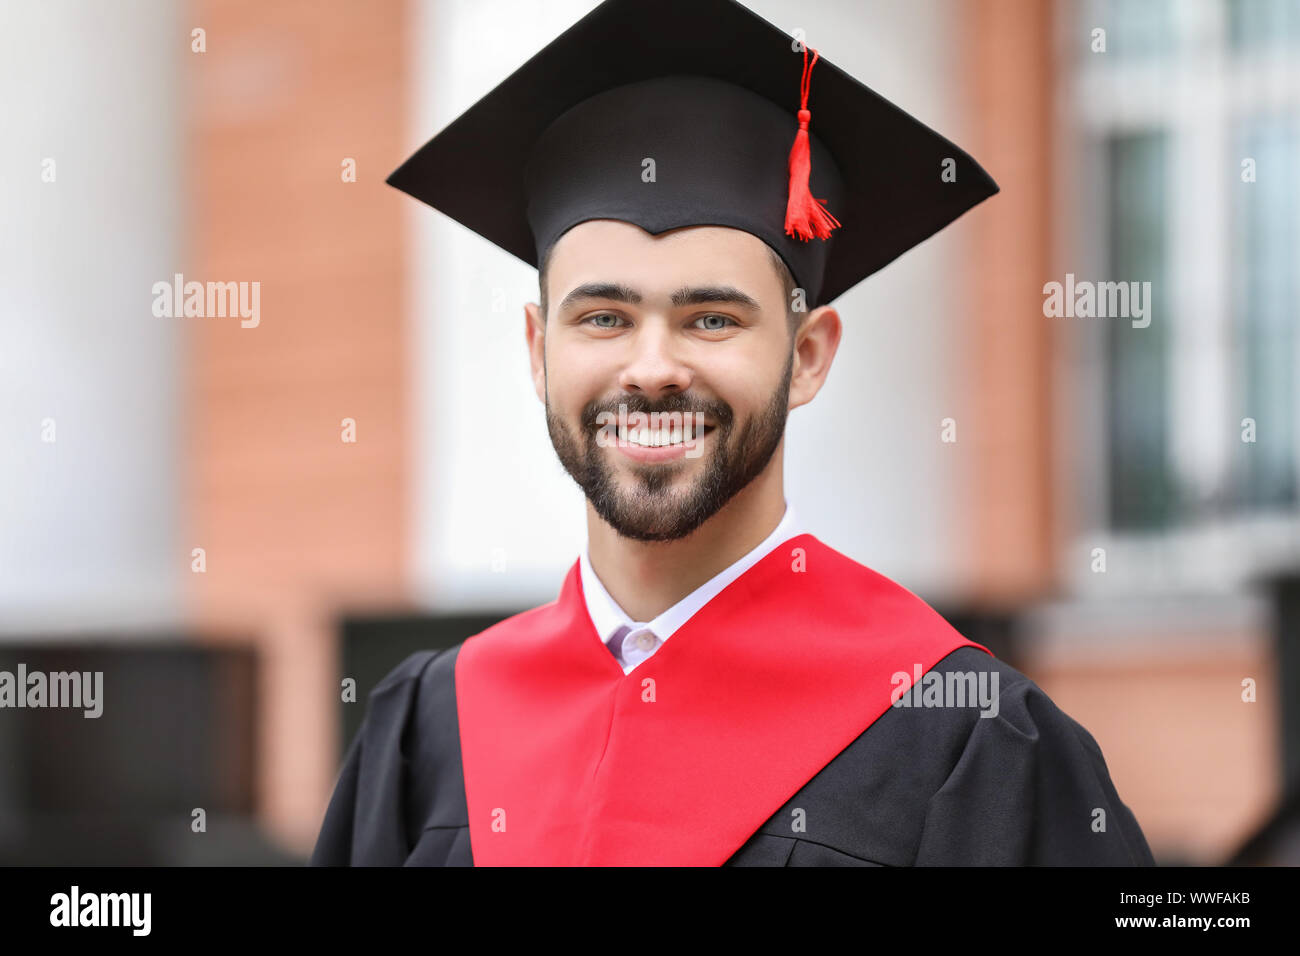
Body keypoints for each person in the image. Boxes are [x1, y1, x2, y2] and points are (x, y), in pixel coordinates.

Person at [310, 0, 1155, 866]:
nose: (651, 369)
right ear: (538, 350)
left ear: (809, 355)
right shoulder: (434, 731)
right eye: (602, 317)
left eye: (711, 319)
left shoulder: (959, 739)